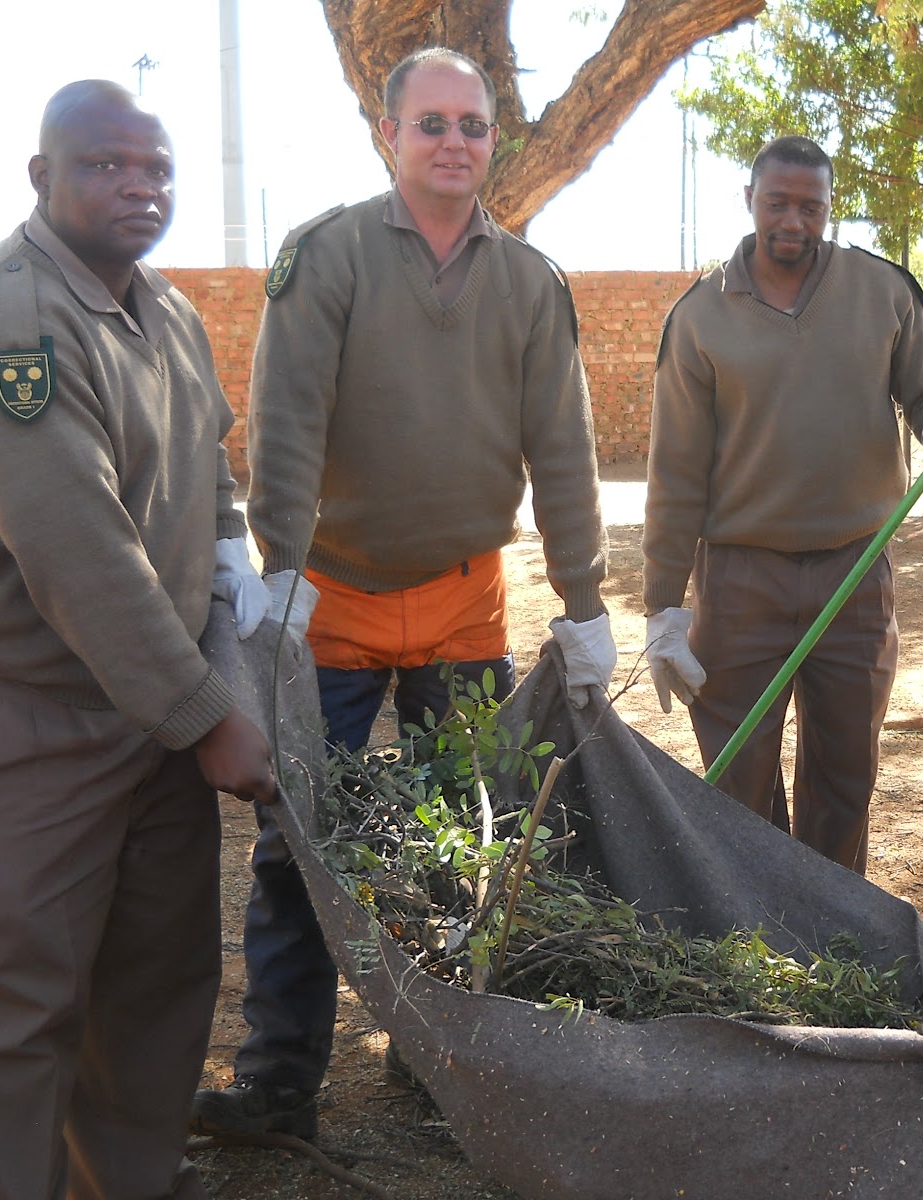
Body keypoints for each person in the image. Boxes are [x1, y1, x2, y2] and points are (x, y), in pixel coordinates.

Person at [191, 47, 614, 1139]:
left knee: (470, 850)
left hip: (465, 605)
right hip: (329, 604)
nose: (454, 144)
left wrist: (586, 600)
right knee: (298, 847)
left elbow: (562, 453)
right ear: (388, 135)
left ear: (491, 140)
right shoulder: (324, 257)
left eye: (472, 126)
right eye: (431, 124)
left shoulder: (531, 283)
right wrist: (278, 565)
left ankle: (446, 1077)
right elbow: (285, 418)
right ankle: (280, 1084)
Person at [0, 80, 276, 1199]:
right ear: (42, 178)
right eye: (105, 165)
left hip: (152, 719)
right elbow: (77, 553)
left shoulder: (166, 314)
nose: (141, 187)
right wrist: (212, 717)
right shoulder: (11, 323)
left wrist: (235, 583)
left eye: (159, 168)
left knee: (155, 993)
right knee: (21, 1007)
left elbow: (210, 477)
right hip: (30, 726)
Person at [641, 135, 923, 875]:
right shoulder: (701, 316)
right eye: (777, 203)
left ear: (829, 208)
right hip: (739, 582)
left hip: (855, 575)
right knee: (737, 781)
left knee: (845, 772)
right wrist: (664, 607)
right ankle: (756, 938)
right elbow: (675, 472)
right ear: (749, 202)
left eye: (811, 206)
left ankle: (837, 940)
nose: (793, 220)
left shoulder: (881, 291)